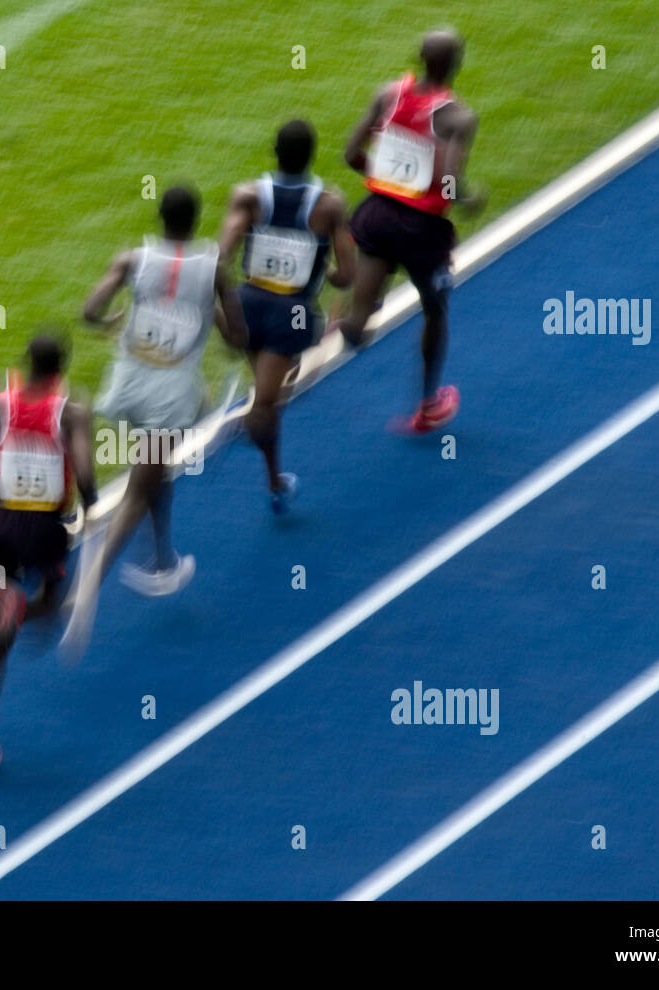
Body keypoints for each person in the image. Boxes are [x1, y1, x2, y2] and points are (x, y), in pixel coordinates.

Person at [59, 186, 246, 658]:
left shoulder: (132, 258)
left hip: (130, 384)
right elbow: (238, 335)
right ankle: (86, 590)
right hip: (170, 395)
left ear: (160, 217)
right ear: (197, 219)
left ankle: (163, 559)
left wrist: (110, 318)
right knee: (139, 491)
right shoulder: (215, 269)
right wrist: (217, 318)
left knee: (154, 471)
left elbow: (89, 310)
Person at [332, 29, 485, 433]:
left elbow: (350, 155)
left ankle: (313, 333)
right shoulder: (458, 116)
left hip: (378, 217)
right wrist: (470, 200)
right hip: (421, 232)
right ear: (457, 64)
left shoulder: (388, 94)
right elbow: (450, 181)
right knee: (434, 312)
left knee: (358, 324)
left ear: (418, 56)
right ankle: (428, 406)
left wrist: (385, 179)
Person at [0, 335, 97, 773]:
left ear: (26, 364)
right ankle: (21, 610)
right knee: (53, 602)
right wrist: (91, 508)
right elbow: (88, 477)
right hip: (42, 533)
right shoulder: (71, 411)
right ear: (61, 369)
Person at [219, 120, 356, 511]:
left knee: (272, 396)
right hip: (291, 313)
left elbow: (219, 257)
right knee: (266, 404)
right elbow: (346, 277)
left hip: (247, 303)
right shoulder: (329, 205)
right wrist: (323, 267)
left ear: (274, 153)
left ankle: (275, 481)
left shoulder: (246, 196)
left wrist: (224, 303)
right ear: (312, 156)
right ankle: (238, 426)